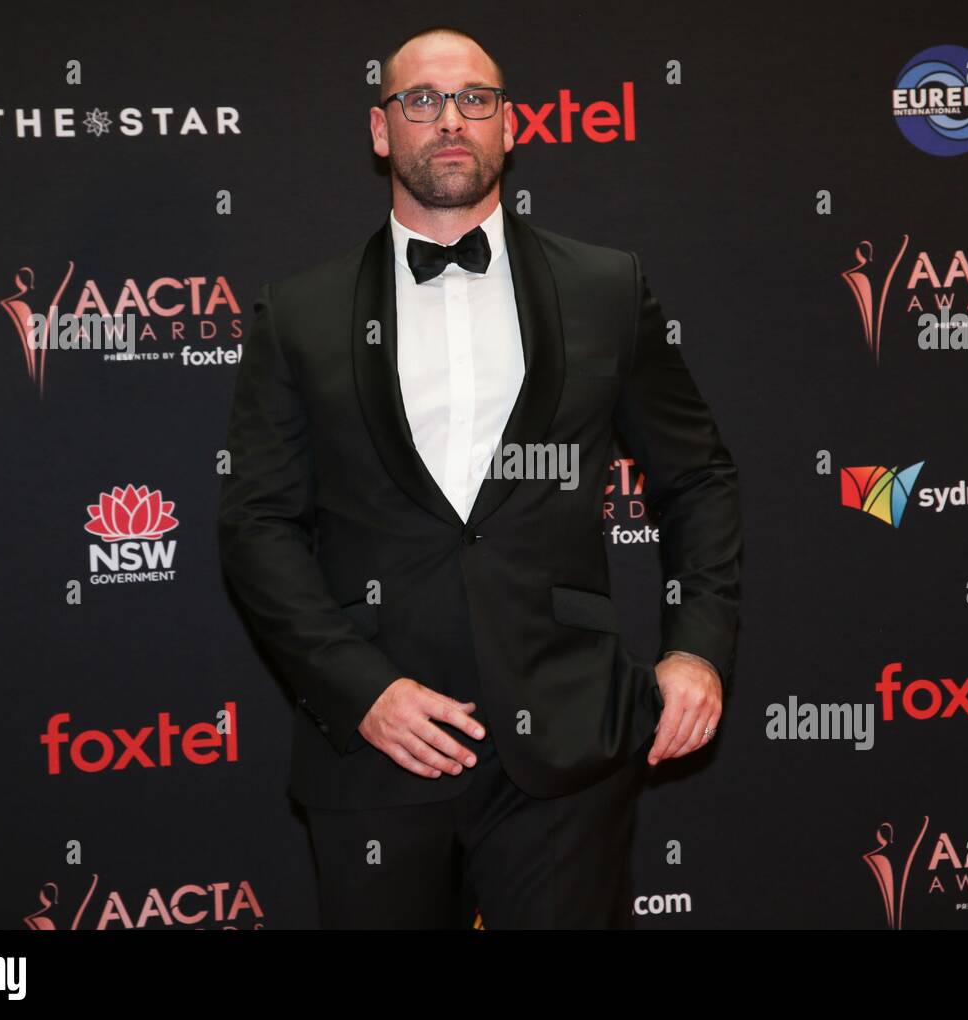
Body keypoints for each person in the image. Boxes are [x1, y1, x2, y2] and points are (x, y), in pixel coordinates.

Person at [217, 24, 742, 928]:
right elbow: (257, 524)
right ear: (382, 131)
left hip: (567, 747)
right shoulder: (297, 312)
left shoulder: (605, 287)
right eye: (421, 99)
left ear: (510, 126)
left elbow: (697, 476)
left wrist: (696, 647)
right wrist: (363, 691)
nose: (449, 119)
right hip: (377, 750)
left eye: (475, 100)